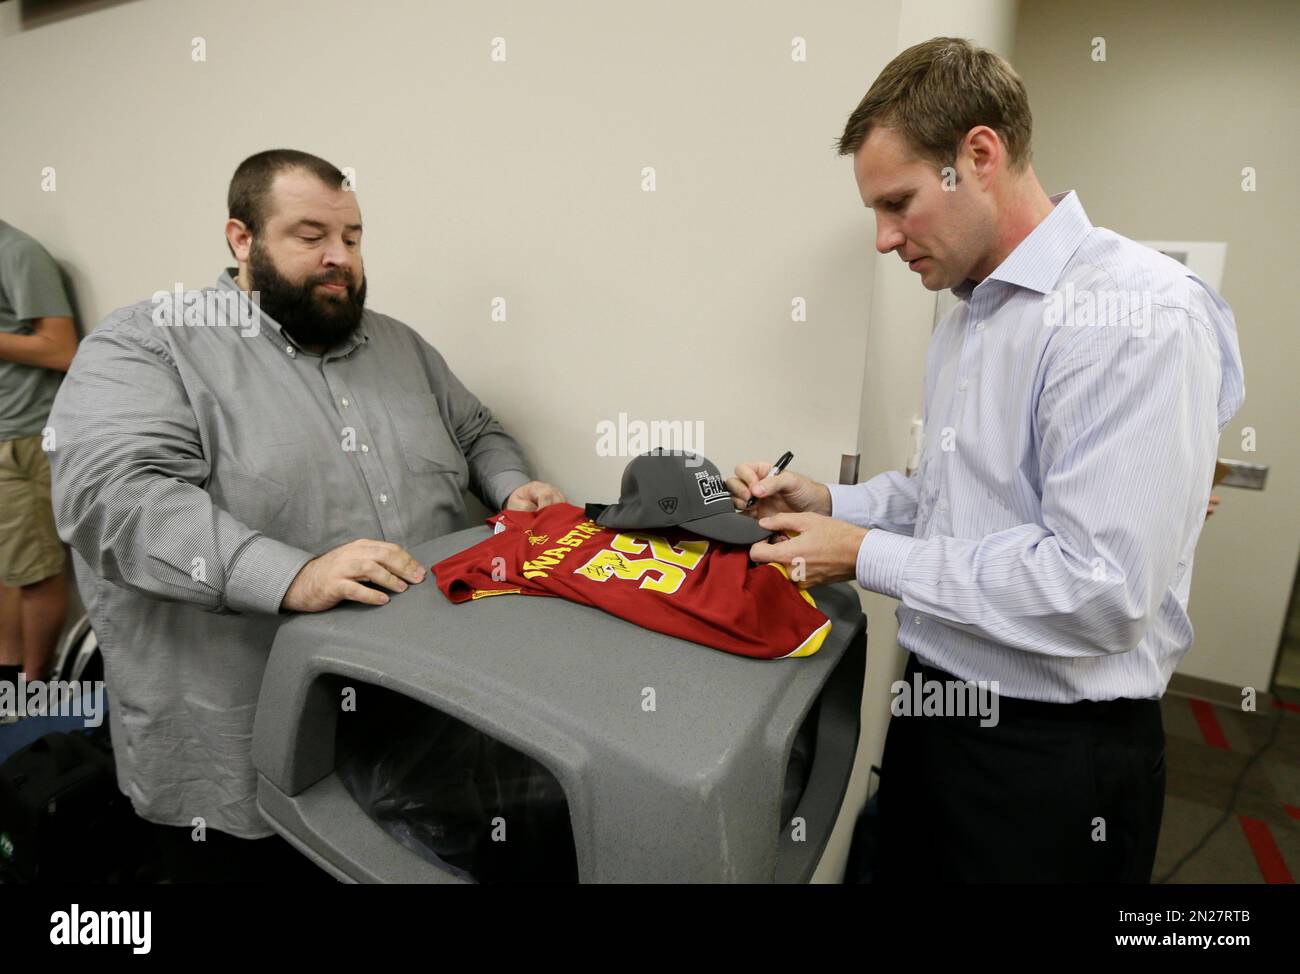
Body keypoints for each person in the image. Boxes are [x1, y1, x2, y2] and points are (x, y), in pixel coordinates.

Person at [727, 38, 1244, 883]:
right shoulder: (970, 310)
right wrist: (831, 501)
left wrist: (862, 555)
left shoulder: (1134, 317)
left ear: (979, 155)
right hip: (939, 715)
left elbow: (1101, 590)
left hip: (1051, 760)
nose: (885, 239)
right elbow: (960, 498)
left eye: (898, 203)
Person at [47, 149, 564, 878]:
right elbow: (113, 501)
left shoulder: (400, 346)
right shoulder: (147, 343)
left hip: (418, 724)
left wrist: (511, 487)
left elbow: (478, 430)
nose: (339, 258)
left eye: (352, 238)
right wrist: (295, 576)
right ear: (241, 239)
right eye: (310, 235)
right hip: (254, 748)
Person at [0, 219, 78, 709]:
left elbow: (62, 349)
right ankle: (8, 680)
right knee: (11, 568)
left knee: (37, 573)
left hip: (24, 438)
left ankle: (34, 694)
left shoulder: (18, 252)